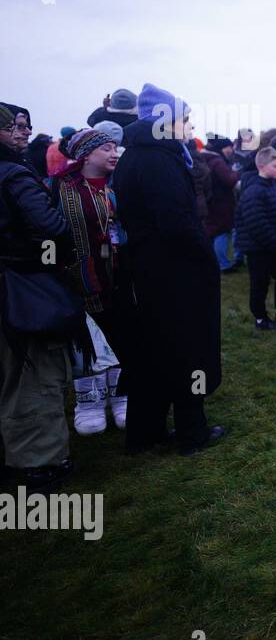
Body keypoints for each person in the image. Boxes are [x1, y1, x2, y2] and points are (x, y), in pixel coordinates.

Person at [112, 84, 225, 456]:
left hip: (151, 268)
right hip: (174, 271)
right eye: (185, 119)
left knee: (157, 348)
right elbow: (176, 222)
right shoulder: (159, 160)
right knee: (186, 346)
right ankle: (193, 432)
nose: (190, 126)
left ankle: (148, 433)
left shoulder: (138, 155)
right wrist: (205, 256)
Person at [0, 102, 77, 489]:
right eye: (15, 126)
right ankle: (38, 463)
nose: (24, 133)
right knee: (33, 373)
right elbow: (51, 226)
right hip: (21, 287)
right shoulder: (14, 175)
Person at [53, 129, 132, 433]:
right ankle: (89, 400)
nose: (114, 154)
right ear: (86, 154)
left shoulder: (112, 189)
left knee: (118, 332)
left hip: (115, 276)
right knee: (86, 339)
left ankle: (120, 395)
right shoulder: (62, 188)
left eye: (116, 148)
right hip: (78, 279)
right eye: (107, 149)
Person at [235, 147, 276, 332]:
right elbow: (257, 223)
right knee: (259, 283)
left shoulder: (274, 187)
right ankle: (260, 318)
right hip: (258, 249)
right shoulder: (254, 191)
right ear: (261, 166)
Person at [199, 135, 242, 273]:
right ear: (223, 147)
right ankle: (223, 264)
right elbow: (229, 180)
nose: (231, 150)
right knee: (221, 232)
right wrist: (236, 172)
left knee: (212, 232)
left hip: (210, 200)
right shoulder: (217, 161)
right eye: (229, 147)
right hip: (221, 202)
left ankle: (212, 261)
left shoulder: (203, 158)